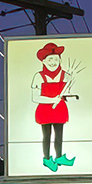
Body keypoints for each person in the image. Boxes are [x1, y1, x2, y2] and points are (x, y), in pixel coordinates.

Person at [31, 42, 75, 171]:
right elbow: (35, 97)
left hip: (59, 109)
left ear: (60, 59)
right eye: (49, 59)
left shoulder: (66, 76)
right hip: (45, 110)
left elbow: (66, 92)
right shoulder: (39, 76)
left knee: (59, 134)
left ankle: (59, 157)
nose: (53, 62)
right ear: (43, 61)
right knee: (46, 135)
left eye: (55, 58)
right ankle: (47, 159)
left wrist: (65, 94)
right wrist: (51, 99)